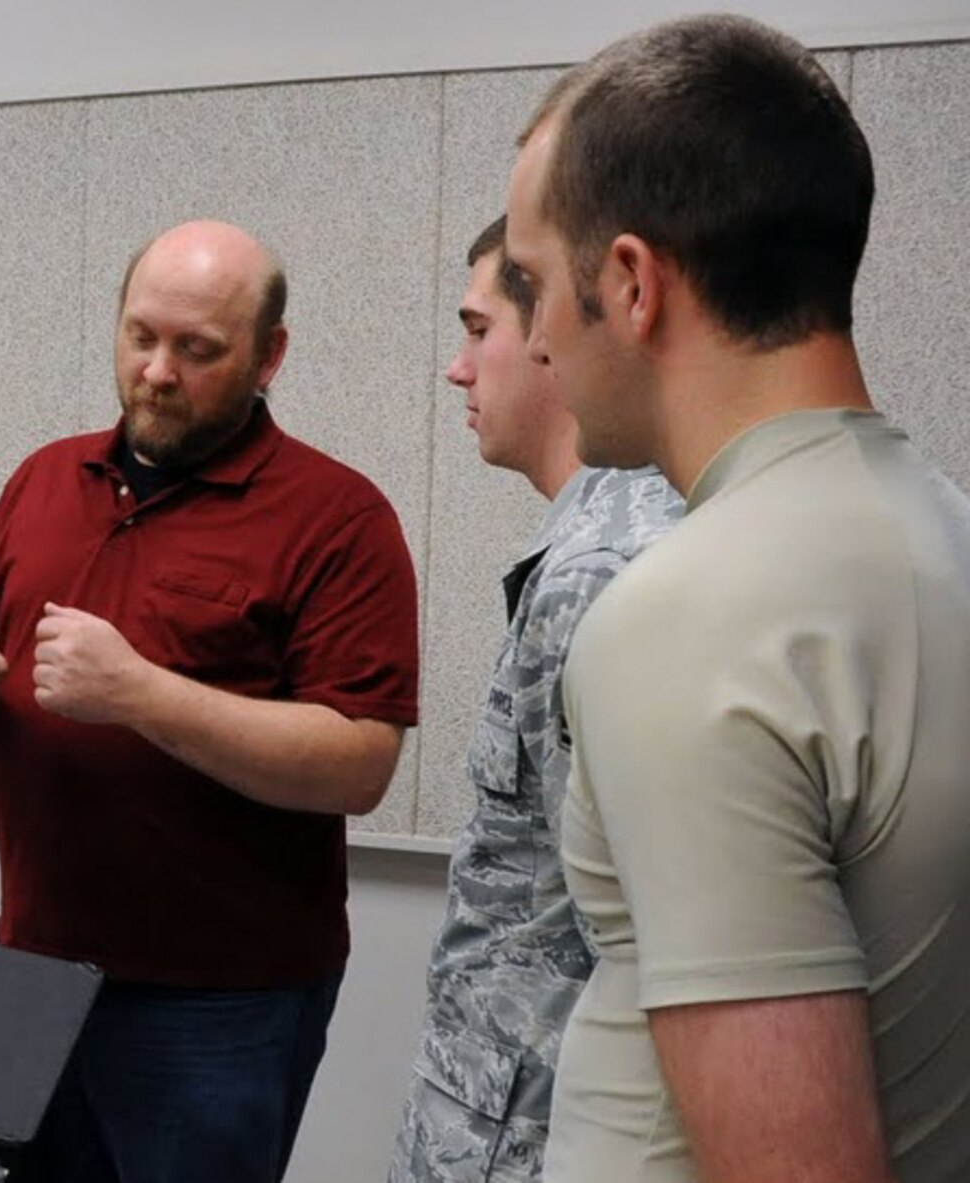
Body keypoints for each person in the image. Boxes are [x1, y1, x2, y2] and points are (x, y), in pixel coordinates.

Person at [503, 15, 970, 1183]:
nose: (534, 339)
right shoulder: (936, 529)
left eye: (533, 283)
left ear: (629, 283)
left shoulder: (687, 619)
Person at [0, 218, 420, 1183]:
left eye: (198, 349)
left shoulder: (339, 517)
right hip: (32, 968)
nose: (156, 372)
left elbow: (360, 763)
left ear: (269, 356)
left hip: (216, 1003)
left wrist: (143, 693)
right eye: (140, 336)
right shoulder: (44, 478)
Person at [390, 215, 678, 1183]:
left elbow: (639, 937)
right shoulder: (600, 542)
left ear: (553, 332)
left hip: (542, 1129)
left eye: (479, 330)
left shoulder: (603, 571)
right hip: (504, 1107)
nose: (456, 369)